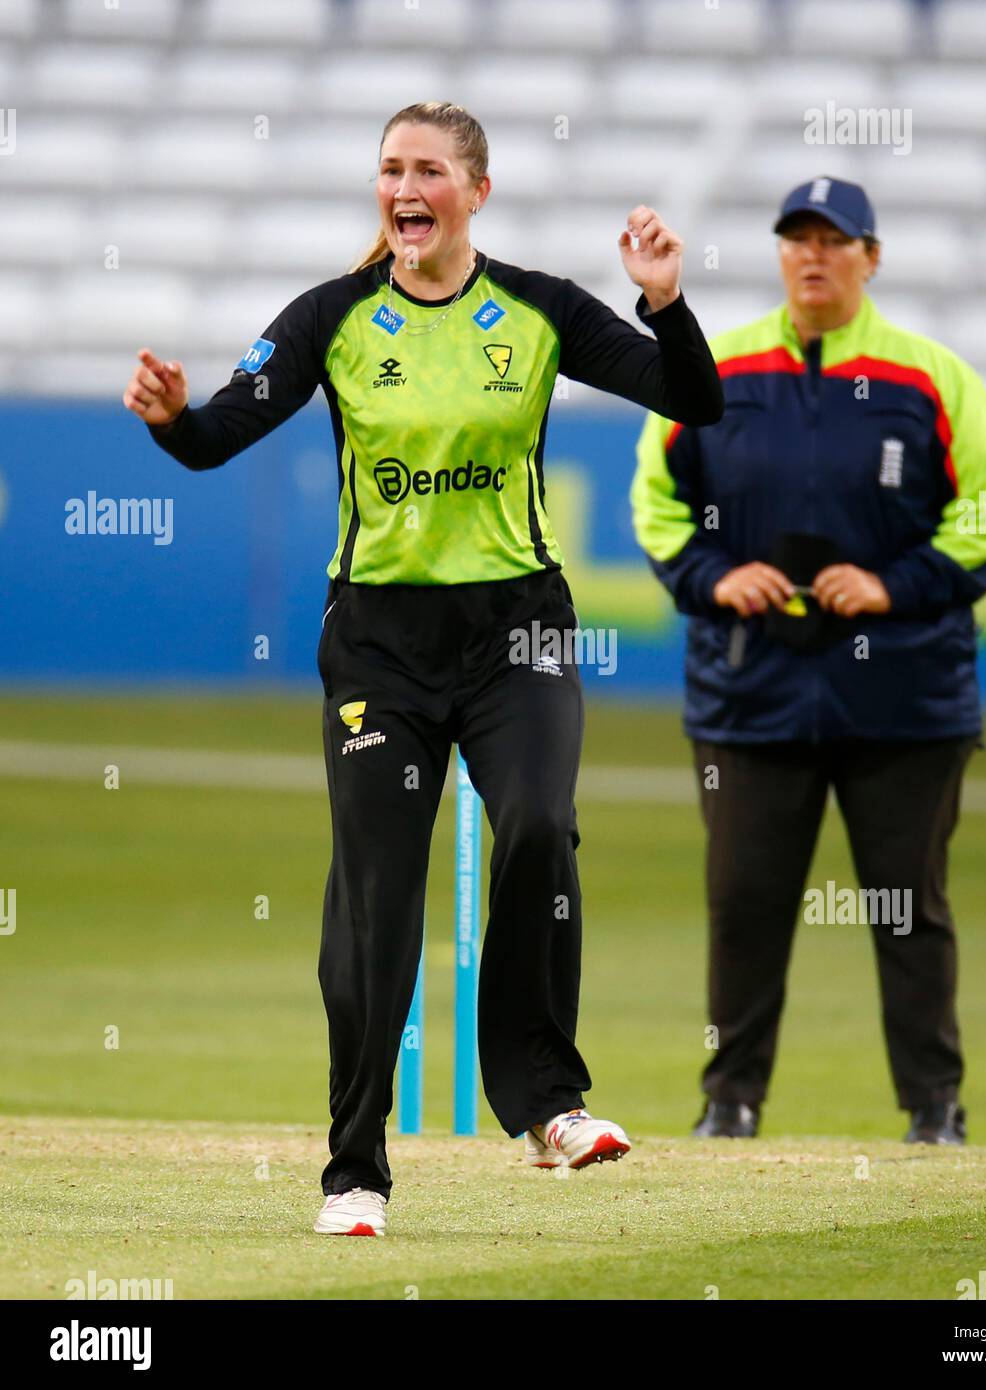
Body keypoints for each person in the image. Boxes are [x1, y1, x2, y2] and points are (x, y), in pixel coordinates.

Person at [123, 101, 723, 1234]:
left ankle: (547, 1103)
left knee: (540, 824)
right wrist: (167, 419)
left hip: (520, 637)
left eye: (428, 170)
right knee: (377, 901)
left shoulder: (539, 310)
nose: (405, 187)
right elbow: (211, 437)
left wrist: (663, 300)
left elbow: (693, 398)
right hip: (379, 650)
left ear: (475, 192)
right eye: (390, 168)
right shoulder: (332, 318)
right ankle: (354, 1169)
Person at [631, 176, 986, 1146]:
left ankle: (934, 1109)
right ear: (777, 254)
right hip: (749, 691)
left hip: (903, 696)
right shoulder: (713, 369)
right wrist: (715, 576)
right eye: (795, 238)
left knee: (907, 909)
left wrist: (897, 582)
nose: (812, 254)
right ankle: (728, 1102)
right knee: (742, 906)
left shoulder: (931, 376)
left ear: (870, 256)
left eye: (833, 240)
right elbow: (654, 502)